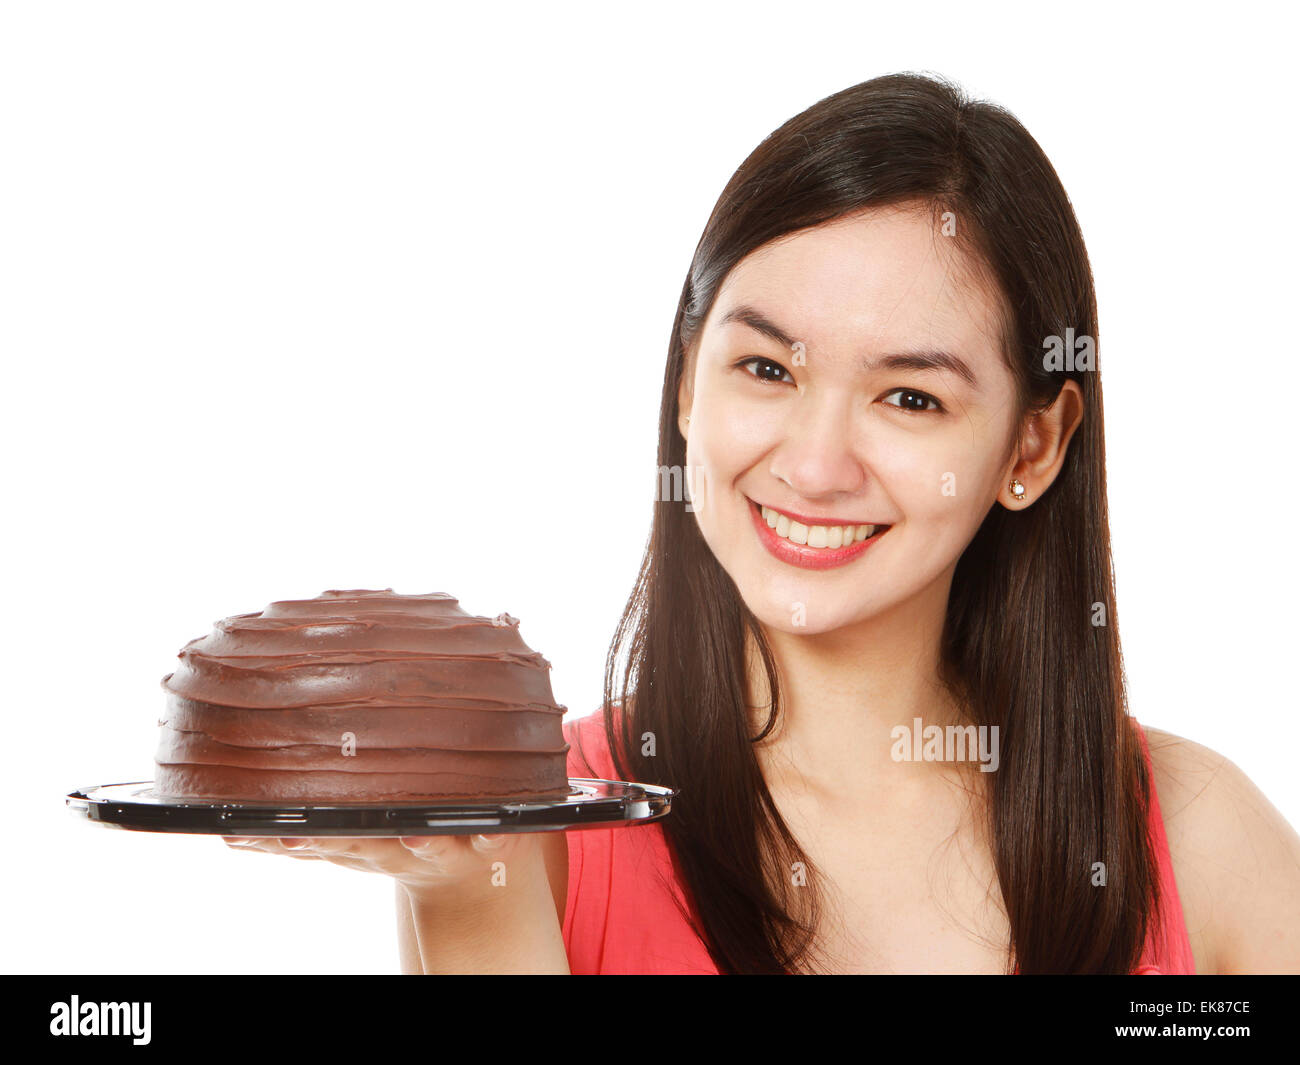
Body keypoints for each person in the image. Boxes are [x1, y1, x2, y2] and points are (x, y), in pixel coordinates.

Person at [225, 72, 1300, 974]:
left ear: (1032, 448)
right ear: (689, 382)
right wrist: (453, 894)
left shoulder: (1198, 844)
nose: (815, 464)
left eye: (910, 398)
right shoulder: (535, 833)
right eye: (766, 367)